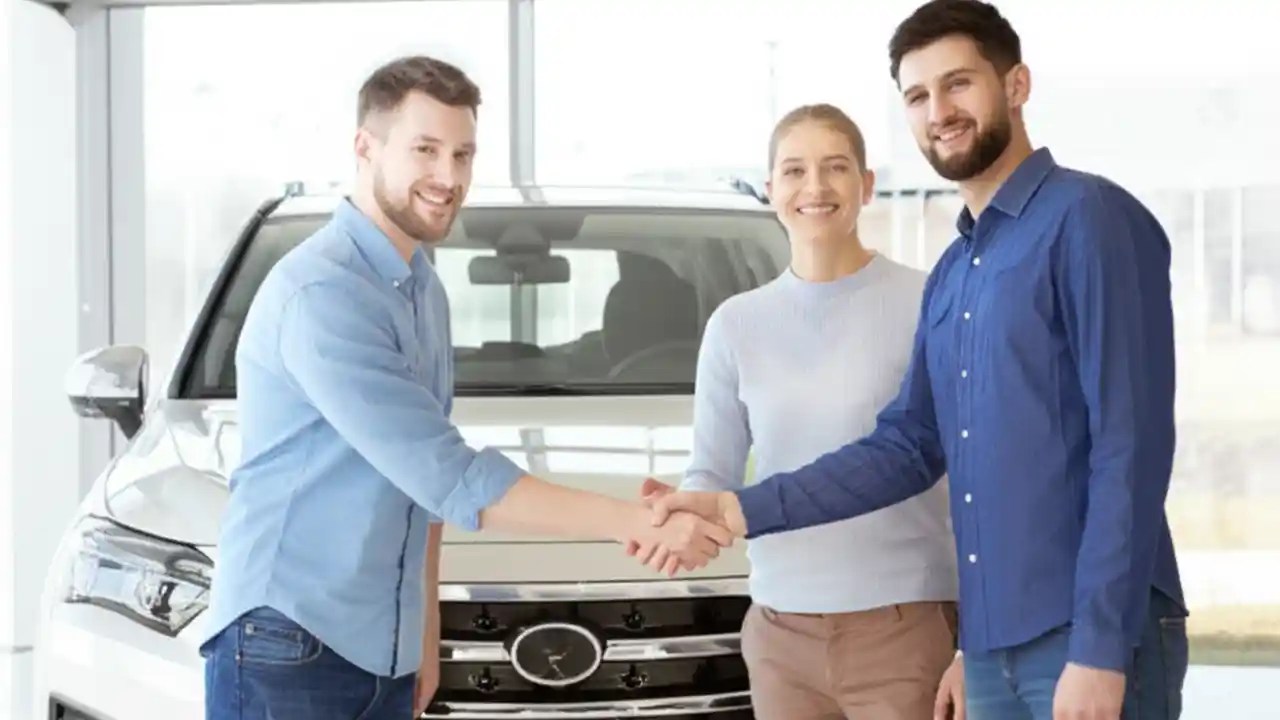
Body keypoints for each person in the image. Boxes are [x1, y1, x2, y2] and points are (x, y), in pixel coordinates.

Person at [646, 2, 1189, 719]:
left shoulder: (1087, 219)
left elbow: (1132, 444)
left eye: (958, 83)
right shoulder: (956, 272)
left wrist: (1098, 649)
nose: (940, 110)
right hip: (996, 648)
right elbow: (906, 448)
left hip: (1084, 637)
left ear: (1017, 84)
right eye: (917, 95)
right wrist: (732, 506)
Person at [198, 55, 732, 720]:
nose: (448, 178)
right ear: (365, 148)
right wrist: (634, 520)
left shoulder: (419, 284)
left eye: (463, 154)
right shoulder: (323, 296)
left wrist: (419, 641)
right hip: (289, 642)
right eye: (425, 150)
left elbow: (417, 493)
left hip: (378, 650)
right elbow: (447, 476)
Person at [633, 103, 966, 719]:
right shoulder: (736, 325)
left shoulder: (928, 302)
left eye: (835, 167)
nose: (814, 187)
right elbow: (712, 473)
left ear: (866, 186)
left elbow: (972, 474)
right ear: (771, 189)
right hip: (779, 634)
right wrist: (680, 516)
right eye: (794, 171)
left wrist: (974, 644)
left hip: (903, 627)